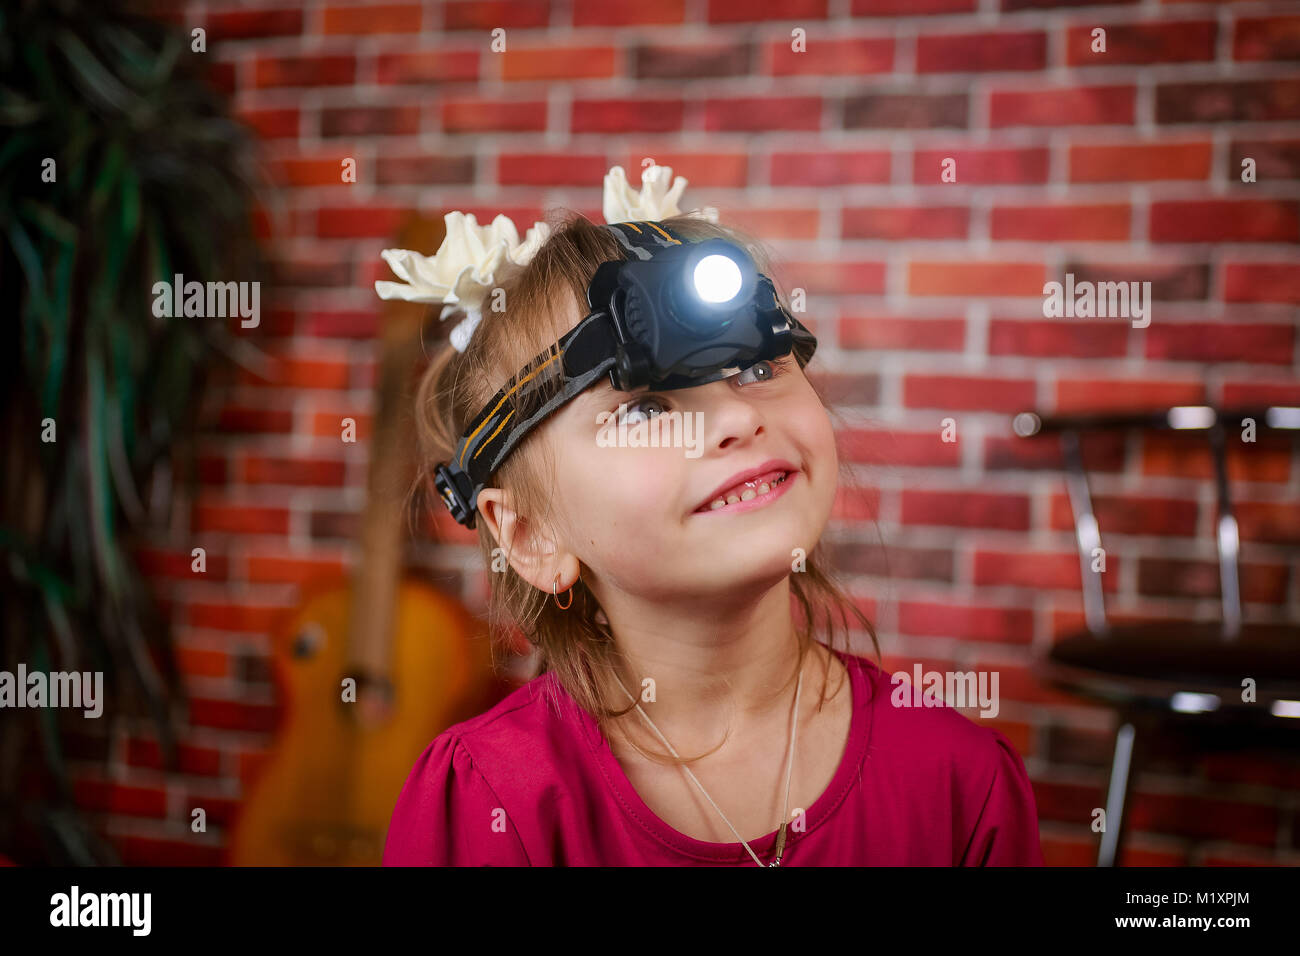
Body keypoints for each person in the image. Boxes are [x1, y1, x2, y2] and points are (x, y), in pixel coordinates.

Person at [378, 166, 1044, 866]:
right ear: (529, 534)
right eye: (646, 408)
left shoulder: (958, 783)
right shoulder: (488, 801)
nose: (733, 418)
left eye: (755, 369)